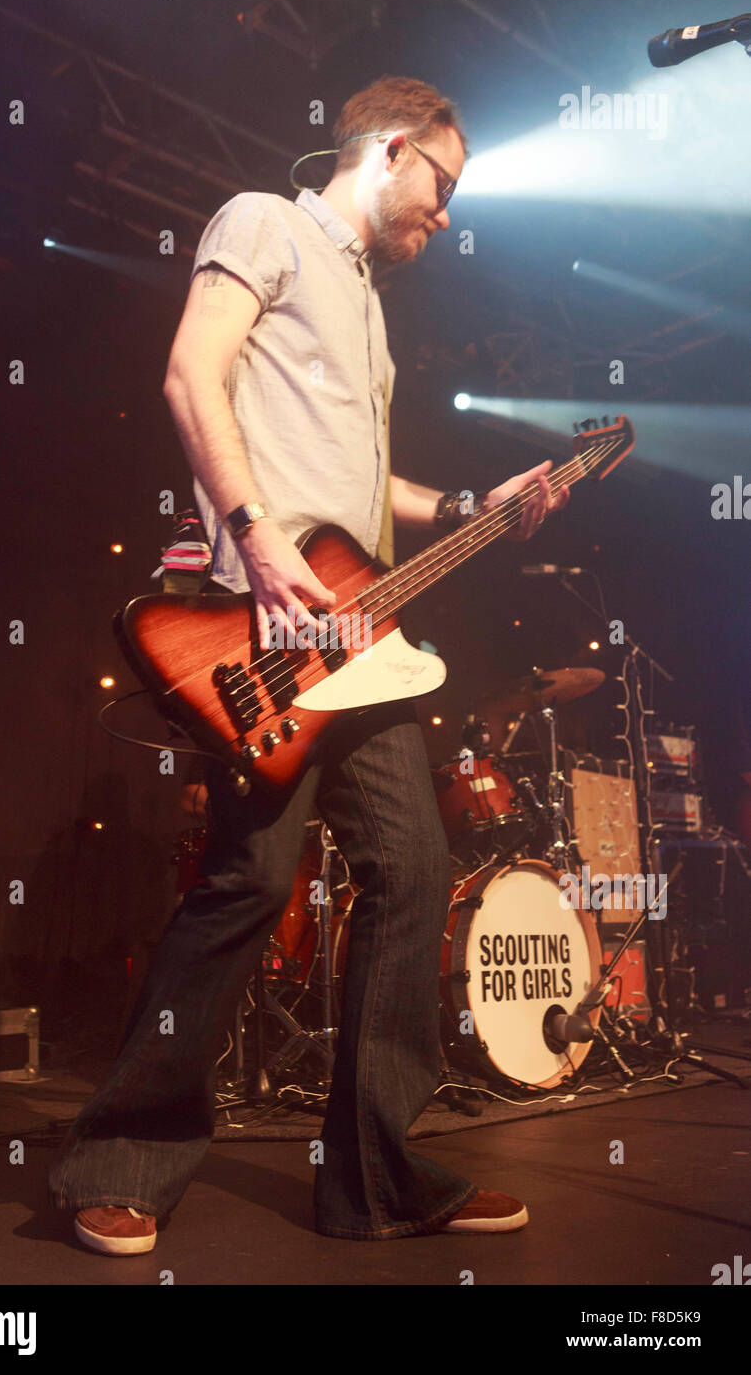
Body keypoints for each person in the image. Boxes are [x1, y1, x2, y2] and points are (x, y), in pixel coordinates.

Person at [48, 75, 569, 1254]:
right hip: (261, 623)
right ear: (389, 149)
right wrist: (253, 532)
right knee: (245, 884)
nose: (442, 217)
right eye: (439, 187)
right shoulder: (262, 221)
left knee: (413, 864)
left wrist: (467, 504)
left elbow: (355, 487)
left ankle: (376, 1179)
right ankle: (116, 1161)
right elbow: (193, 373)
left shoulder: (368, 308)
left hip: (359, 644)